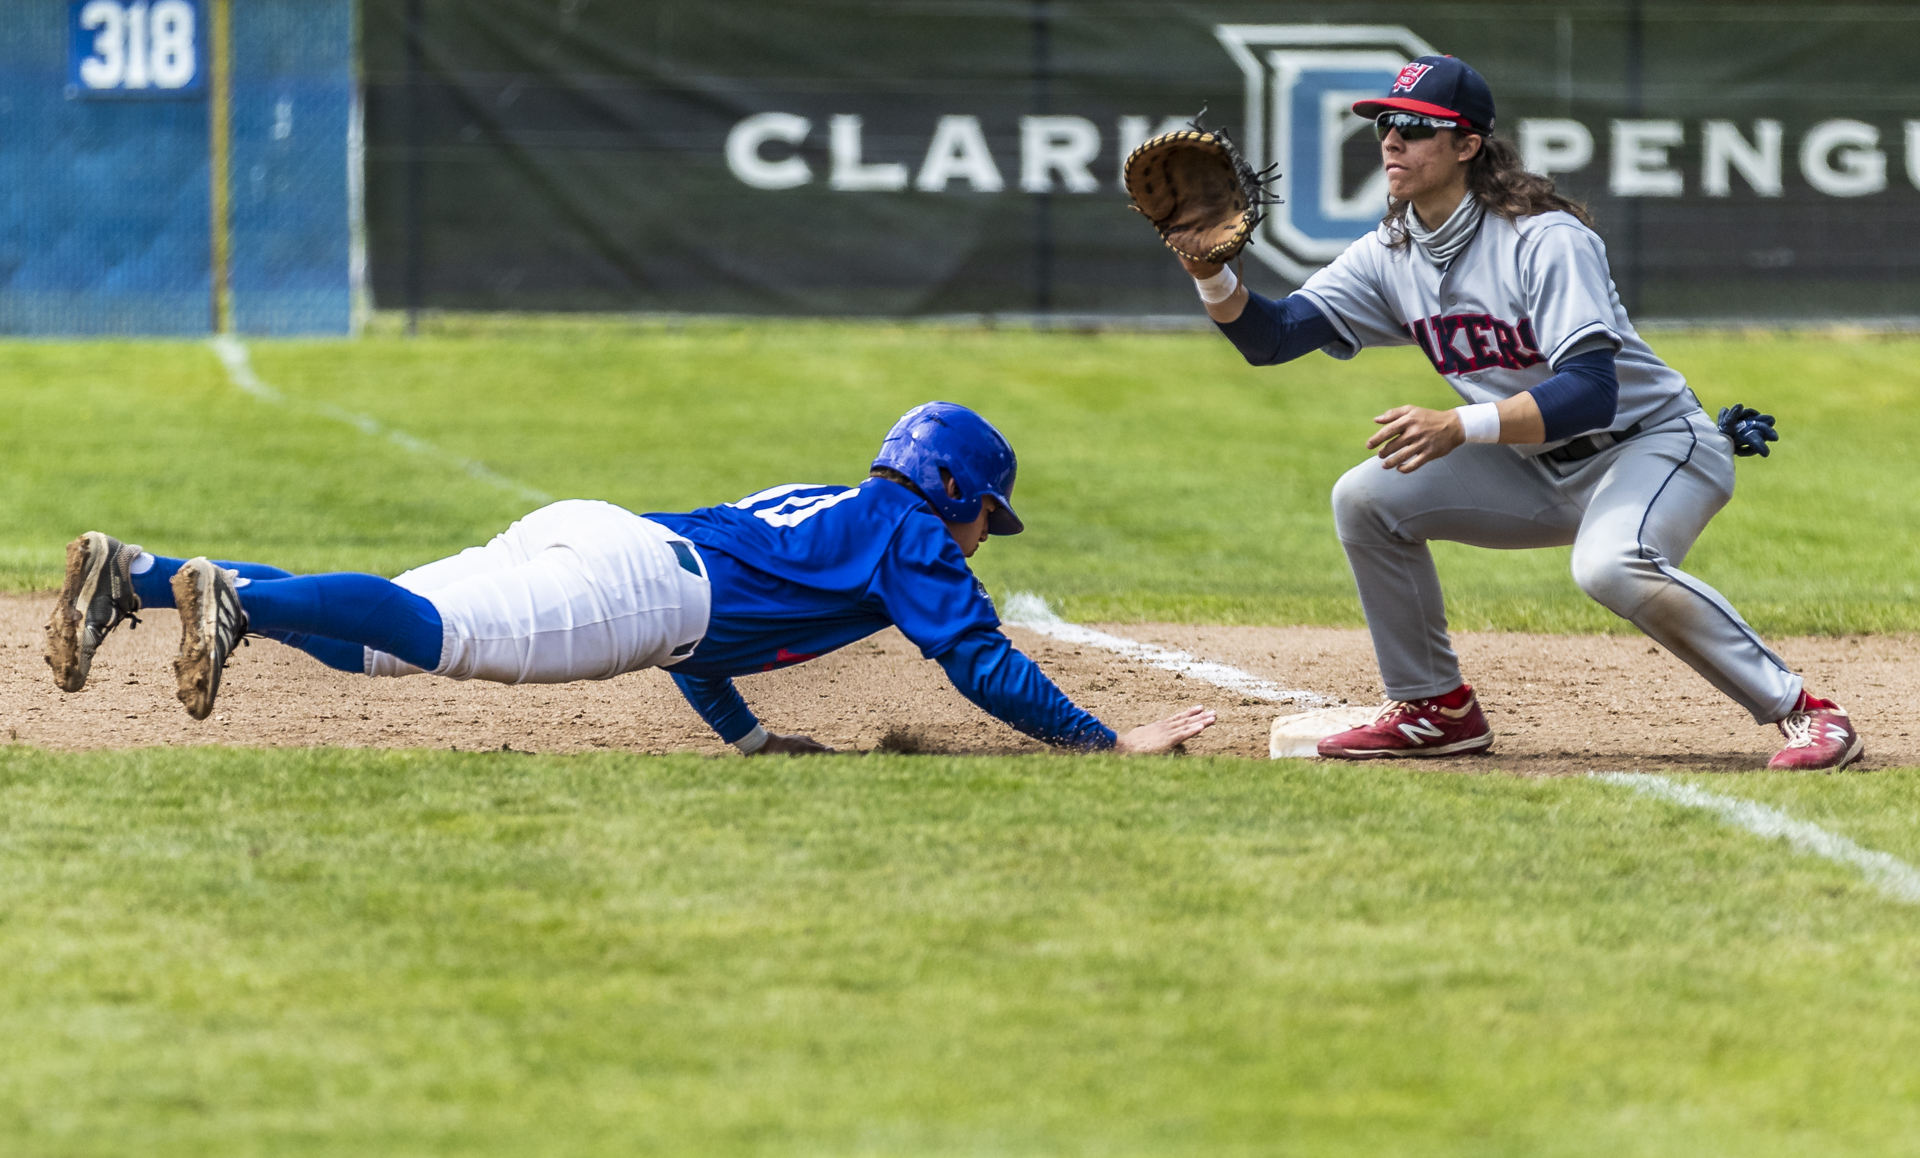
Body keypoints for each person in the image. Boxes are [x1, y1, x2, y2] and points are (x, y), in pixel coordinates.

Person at [1171, 54, 1859, 770]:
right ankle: (1435, 708)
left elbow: (1593, 390)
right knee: (1366, 498)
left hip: (1651, 446)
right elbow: (1272, 337)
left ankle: (1806, 712)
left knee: (1611, 566)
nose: (1391, 141)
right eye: (1384, 124)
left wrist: (1457, 425)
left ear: (1468, 145)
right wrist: (1211, 273)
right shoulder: (1391, 252)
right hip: (1532, 465)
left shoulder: (1544, 239)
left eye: (1414, 126)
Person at [44, 401, 1214, 756]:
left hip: (614, 545)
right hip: (642, 580)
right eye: (986, 519)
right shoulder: (910, 532)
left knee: (378, 638)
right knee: (433, 626)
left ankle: (136, 578)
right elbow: (979, 659)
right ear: (956, 490)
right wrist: (1106, 744)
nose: (979, 541)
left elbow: (695, 637)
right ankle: (233, 601)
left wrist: (749, 740)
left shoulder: (841, 504)